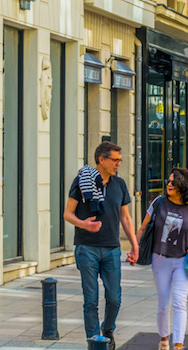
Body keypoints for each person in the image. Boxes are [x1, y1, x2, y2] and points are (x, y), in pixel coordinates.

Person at [63, 142, 139, 350]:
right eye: (115, 160)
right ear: (101, 160)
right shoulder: (82, 182)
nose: (118, 164)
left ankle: (107, 331)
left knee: (114, 298)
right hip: (86, 248)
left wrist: (134, 245)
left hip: (112, 248)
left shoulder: (120, 184)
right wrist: (83, 224)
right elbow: (67, 213)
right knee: (91, 300)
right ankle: (94, 341)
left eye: (119, 160)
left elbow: (125, 218)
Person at [137, 167, 188, 350]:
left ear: (183, 185)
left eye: (173, 181)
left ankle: (178, 345)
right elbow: (143, 228)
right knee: (163, 303)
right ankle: (164, 341)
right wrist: (134, 248)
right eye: (168, 181)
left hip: (182, 261)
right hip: (160, 259)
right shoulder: (158, 202)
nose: (169, 184)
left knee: (180, 302)